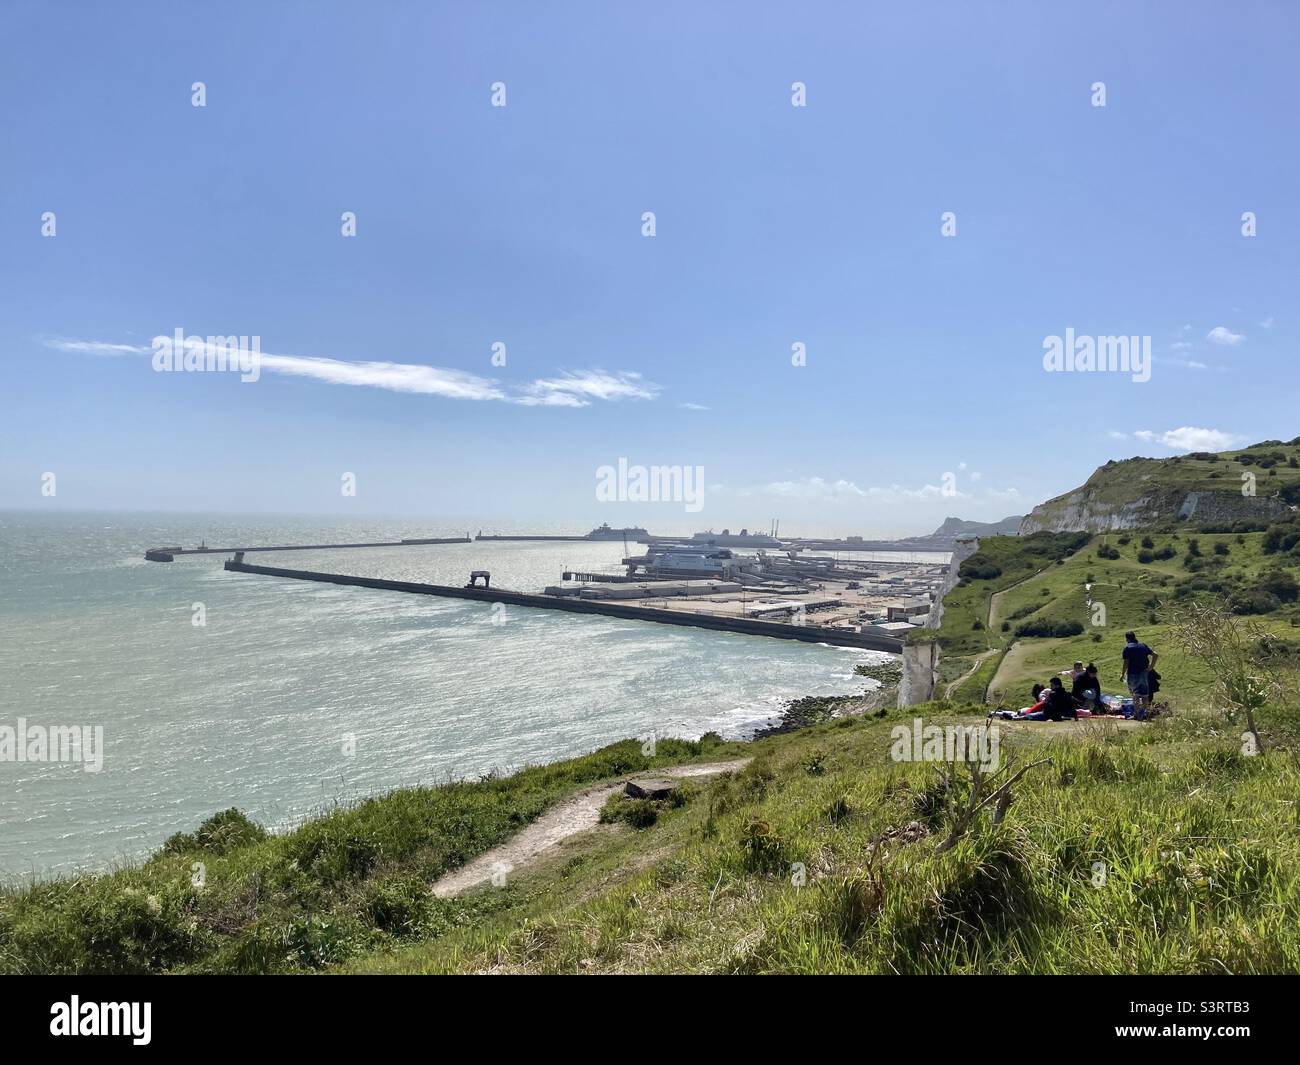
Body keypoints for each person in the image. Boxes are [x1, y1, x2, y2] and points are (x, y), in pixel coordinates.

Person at [1120, 631, 1158, 714]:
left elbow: (1126, 662)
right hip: (1144, 673)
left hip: (1133, 674)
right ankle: (1146, 713)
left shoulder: (1127, 648)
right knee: (1145, 695)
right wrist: (1151, 667)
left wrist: (1122, 674)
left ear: (1127, 638)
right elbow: (1155, 654)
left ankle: (1137, 714)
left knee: (1135, 695)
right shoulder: (1143, 645)